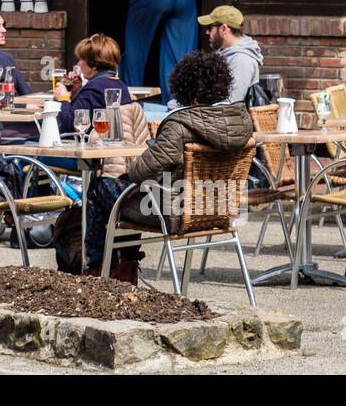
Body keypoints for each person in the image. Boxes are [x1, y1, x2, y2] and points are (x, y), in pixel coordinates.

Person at [83, 50, 254, 281]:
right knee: (126, 190)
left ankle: (99, 268)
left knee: (100, 187)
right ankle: (125, 268)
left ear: (185, 87)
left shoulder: (179, 124)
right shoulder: (239, 122)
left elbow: (146, 169)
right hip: (220, 208)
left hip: (174, 211)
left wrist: (131, 170)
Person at [53, 33, 132, 133]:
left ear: (93, 64)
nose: (78, 64)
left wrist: (63, 98)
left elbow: (70, 125)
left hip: (89, 145)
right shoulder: (119, 83)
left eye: (81, 59)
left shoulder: (95, 88)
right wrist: (76, 91)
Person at [199, 5, 264, 103]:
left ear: (224, 29)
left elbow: (231, 103)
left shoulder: (242, 60)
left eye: (210, 27)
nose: (207, 32)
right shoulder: (224, 51)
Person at [0, 12, 33, 95]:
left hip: (14, 105)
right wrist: (23, 106)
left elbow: (26, 92)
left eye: (3, 25)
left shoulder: (6, 58)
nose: (4, 30)